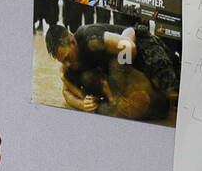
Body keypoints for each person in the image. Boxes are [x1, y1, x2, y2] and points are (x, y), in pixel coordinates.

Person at [45, 24, 179, 120]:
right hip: (119, 62)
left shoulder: (90, 38)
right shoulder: (68, 65)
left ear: (72, 41)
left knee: (170, 92)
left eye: (67, 58)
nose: (67, 64)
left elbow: (129, 44)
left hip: (139, 46)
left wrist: (121, 72)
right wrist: (81, 104)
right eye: (62, 61)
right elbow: (66, 92)